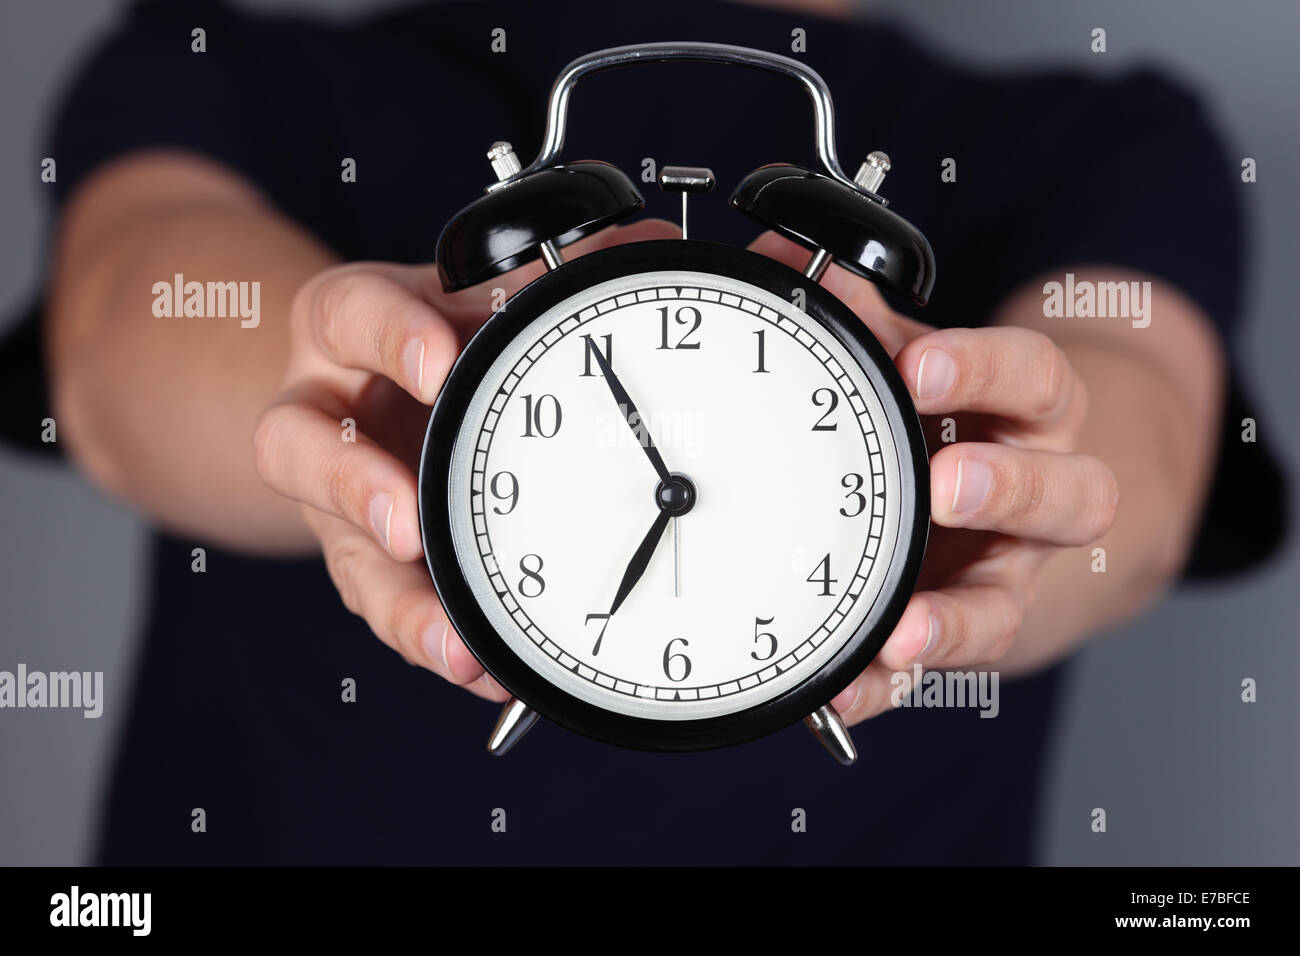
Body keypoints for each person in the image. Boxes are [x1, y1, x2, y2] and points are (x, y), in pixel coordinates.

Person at [8, 0, 1283, 863]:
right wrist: (339, 383)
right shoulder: (222, 65)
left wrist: (1005, 480)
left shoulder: (1100, 146)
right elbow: (124, 341)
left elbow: (1145, 446)